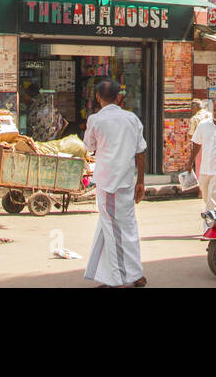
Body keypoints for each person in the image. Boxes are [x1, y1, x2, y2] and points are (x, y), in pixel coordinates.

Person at [82, 78, 147, 288]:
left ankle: (118, 278)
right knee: (125, 226)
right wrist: (141, 182)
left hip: (108, 182)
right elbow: (141, 152)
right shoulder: (132, 119)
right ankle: (130, 274)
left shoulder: (95, 120)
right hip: (127, 180)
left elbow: (88, 146)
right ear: (120, 97)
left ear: (98, 97)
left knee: (112, 229)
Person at [188, 99, 216, 215]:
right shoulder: (203, 125)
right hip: (204, 168)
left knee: (213, 198)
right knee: (206, 197)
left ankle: (209, 227)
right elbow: (197, 144)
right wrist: (190, 162)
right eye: (214, 110)